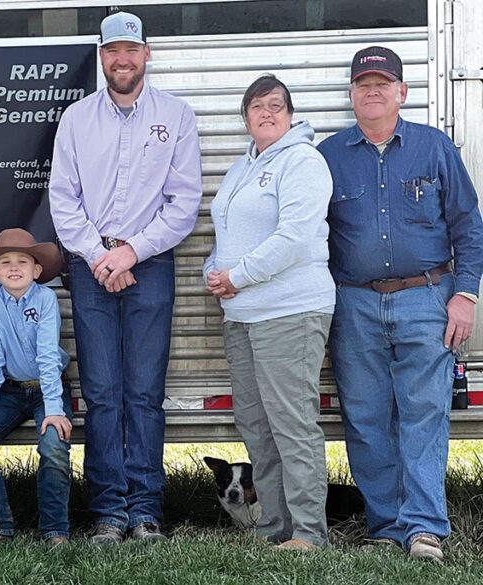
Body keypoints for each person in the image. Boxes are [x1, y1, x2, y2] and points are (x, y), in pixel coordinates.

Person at [318, 46, 483, 564]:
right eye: (363, 83)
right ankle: (386, 526)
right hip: (355, 304)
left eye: (382, 83)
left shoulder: (434, 148)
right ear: (350, 94)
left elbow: (468, 226)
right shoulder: (327, 156)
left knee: (424, 413)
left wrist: (465, 294)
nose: (373, 91)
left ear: (402, 92)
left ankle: (425, 527)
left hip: (427, 298)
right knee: (365, 417)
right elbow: (309, 234)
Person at [48, 11, 202, 544]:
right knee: (102, 392)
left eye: (131, 51)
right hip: (91, 269)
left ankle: (146, 509)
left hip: (151, 265)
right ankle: (109, 511)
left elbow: (183, 204)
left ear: (146, 54)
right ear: (101, 56)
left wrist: (131, 252)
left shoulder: (177, 116)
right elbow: (63, 202)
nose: (122, 60)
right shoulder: (75, 119)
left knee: (143, 392)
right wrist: (99, 255)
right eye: (113, 51)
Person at [203, 75, 334, 551]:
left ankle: (309, 534)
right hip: (242, 315)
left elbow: (295, 237)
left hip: (290, 310)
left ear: (291, 114)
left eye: (276, 105)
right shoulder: (242, 168)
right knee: (257, 426)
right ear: (245, 118)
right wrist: (213, 273)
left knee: (292, 424)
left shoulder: (303, 161)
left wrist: (236, 276)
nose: (267, 113)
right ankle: (273, 528)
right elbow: (226, 240)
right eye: (257, 106)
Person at [0, 228, 73, 545]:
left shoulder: (46, 298)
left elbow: (48, 355)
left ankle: (55, 531)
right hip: (8, 391)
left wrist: (54, 408)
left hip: (48, 389)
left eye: (22, 261)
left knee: (54, 443)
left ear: (37, 270)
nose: (14, 268)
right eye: (5, 262)